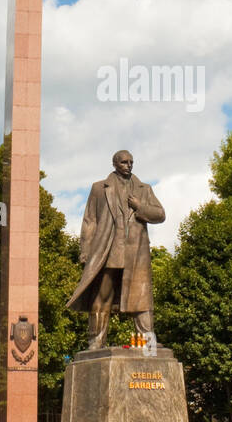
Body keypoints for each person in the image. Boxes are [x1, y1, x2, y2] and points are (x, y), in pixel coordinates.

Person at [67, 150, 166, 350]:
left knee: (142, 299)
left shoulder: (143, 189)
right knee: (102, 296)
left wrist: (140, 207)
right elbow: (89, 221)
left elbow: (160, 214)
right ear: (114, 164)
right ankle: (96, 342)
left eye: (131, 162)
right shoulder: (99, 188)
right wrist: (85, 250)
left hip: (136, 252)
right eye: (124, 162)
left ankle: (147, 344)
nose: (128, 165)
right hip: (109, 249)